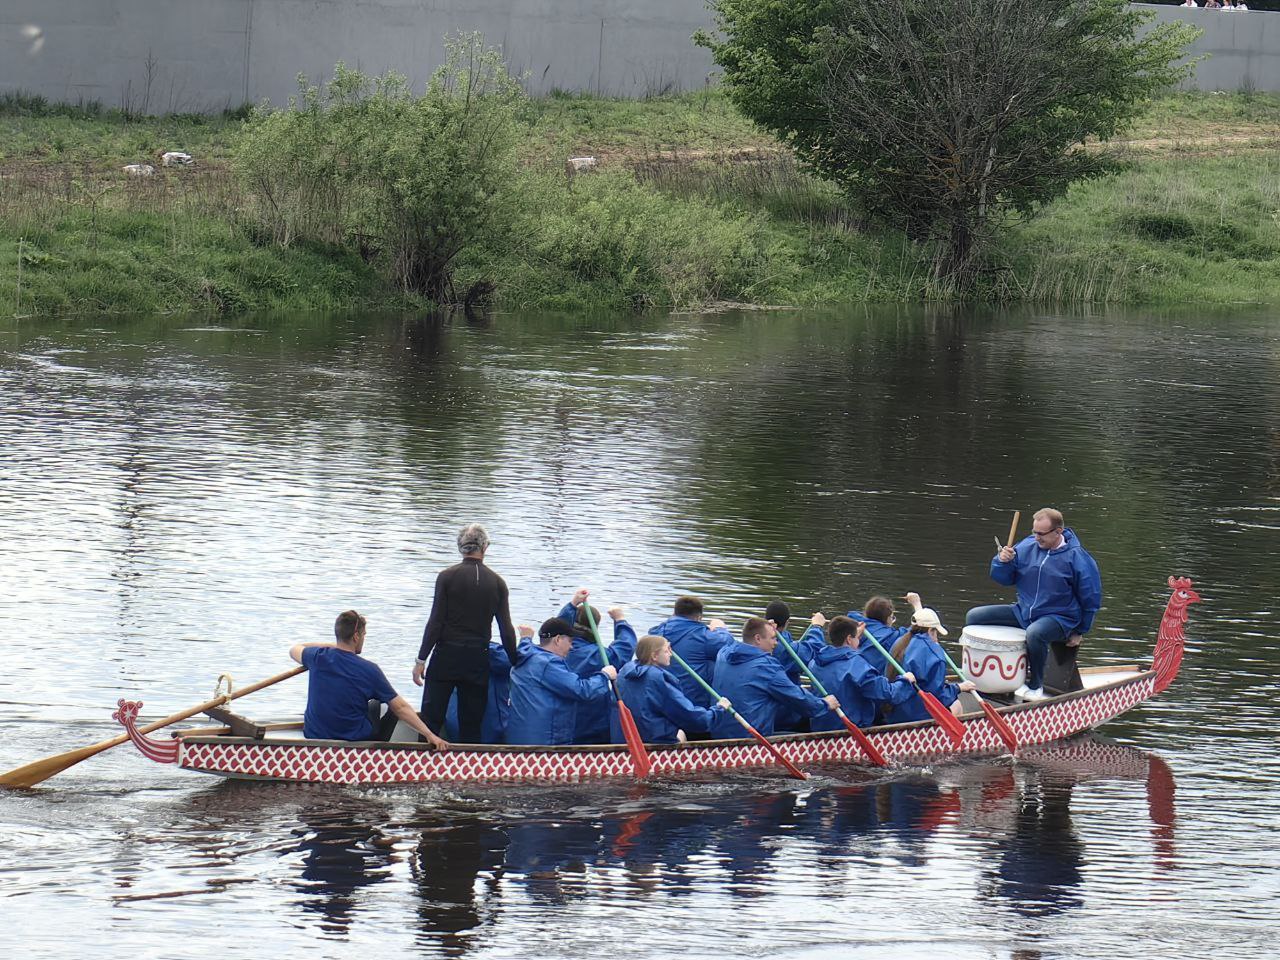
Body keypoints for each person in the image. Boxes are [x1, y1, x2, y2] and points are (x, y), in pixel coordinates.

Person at [965, 507, 1103, 701]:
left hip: (1060, 618)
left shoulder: (1078, 558)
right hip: (1024, 611)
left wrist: (1080, 631)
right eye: (1034, 532)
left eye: (1041, 534)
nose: (1036, 538)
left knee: (1035, 633)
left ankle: (1035, 685)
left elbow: (1091, 598)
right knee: (974, 617)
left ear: (1058, 532)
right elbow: (1004, 579)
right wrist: (1002, 562)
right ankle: (992, 673)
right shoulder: (1027, 546)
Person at [414, 524, 518, 743]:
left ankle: (420, 768)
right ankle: (467, 770)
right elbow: (506, 629)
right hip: (477, 659)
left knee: (431, 721)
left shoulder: (446, 577)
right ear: (485, 547)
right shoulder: (498, 583)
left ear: (460, 547)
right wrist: (516, 661)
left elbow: (436, 622)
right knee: (471, 725)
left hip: (445, 656)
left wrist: (421, 659)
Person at [291, 610, 448, 747]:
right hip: (351, 738)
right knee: (386, 705)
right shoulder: (370, 670)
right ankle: (379, 753)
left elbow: (295, 648)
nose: (364, 639)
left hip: (314, 735)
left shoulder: (318, 657)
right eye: (364, 635)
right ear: (356, 636)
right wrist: (430, 735)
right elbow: (400, 707)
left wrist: (332, 645)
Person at [708, 617, 838, 739]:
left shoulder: (724, 653)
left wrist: (764, 626)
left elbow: (738, 634)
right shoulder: (766, 666)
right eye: (773, 638)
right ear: (758, 638)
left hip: (717, 733)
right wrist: (825, 704)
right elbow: (798, 699)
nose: (776, 643)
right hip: (750, 740)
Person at [506, 617, 618, 746]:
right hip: (545, 745)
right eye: (570, 641)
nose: (571, 647)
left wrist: (526, 638)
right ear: (558, 639)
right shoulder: (549, 664)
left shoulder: (524, 655)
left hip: (519, 739)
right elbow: (581, 690)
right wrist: (605, 676)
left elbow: (526, 644)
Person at [612, 634, 730, 744]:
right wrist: (718, 710)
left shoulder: (624, 671)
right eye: (666, 650)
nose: (671, 654)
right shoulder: (658, 678)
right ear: (654, 656)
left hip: (624, 737)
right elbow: (690, 716)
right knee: (681, 732)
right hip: (652, 740)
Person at [557, 589, 640, 743]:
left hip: (560, 719)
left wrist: (572, 605)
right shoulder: (598, 655)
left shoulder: (554, 649)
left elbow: (557, 628)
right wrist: (620, 621)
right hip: (590, 722)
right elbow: (625, 648)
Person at [808, 615, 918, 731]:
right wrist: (905, 681)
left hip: (821, 727)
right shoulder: (857, 666)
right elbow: (887, 694)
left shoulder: (814, 662)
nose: (859, 641)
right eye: (857, 638)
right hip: (851, 731)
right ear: (849, 639)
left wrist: (854, 636)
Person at [883, 608, 976, 723]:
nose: (937, 637)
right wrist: (959, 688)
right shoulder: (935, 654)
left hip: (894, 713)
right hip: (916, 715)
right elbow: (938, 697)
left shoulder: (899, 643)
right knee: (956, 705)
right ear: (931, 630)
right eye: (936, 632)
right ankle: (943, 739)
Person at [649, 595, 735, 708]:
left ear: (674, 613)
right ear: (699, 617)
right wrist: (720, 629)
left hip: (658, 697)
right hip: (691, 702)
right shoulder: (703, 637)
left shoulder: (656, 633)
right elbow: (727, 644)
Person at [443, 640, 512, 744]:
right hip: (488, 732)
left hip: (453, 727)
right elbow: (513, 661)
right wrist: (526, 641)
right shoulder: (493, 653)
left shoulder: (448, 647)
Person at [847, 591, 925, 674]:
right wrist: (916, 603)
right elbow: (921, 627)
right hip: (873, 680)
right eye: (892, 618)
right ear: (888, 619)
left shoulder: (853, 624)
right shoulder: (890, 637)